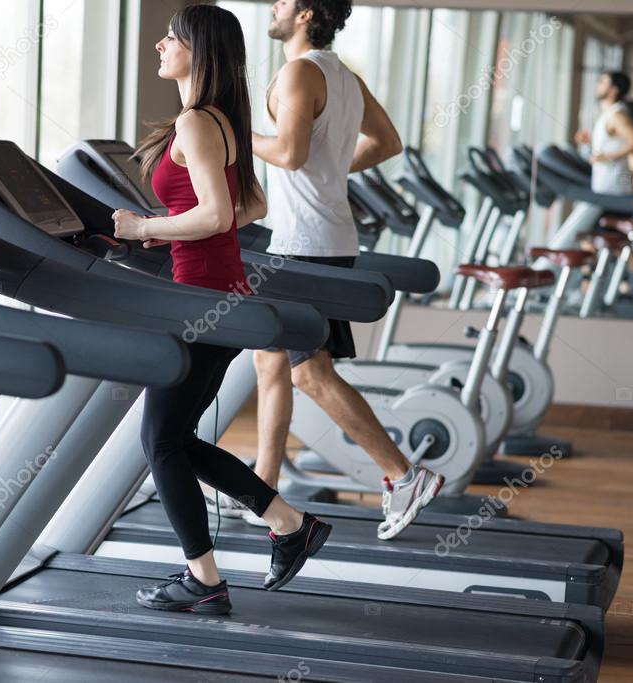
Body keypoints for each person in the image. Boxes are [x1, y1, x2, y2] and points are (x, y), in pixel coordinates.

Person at [111, 4, 332, 616]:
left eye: (172, 38)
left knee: (159, 442)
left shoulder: (195, 123)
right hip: (218, 294)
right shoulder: (220, 119)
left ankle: (207, 580)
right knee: (173, 439)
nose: (160, 44)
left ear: (197, 51)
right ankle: (286, 526)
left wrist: (144, 226)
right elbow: (251, 205)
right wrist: (179, 231)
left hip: (201, 301)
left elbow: (215, 213)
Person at [208, 0, 443, 542]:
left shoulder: (298, 73)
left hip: (303, 246)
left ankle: (405, 475)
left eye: (284, 1)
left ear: (308, 12)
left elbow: (289, 155)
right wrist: (330, 167)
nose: (274, 6)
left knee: (308, 372)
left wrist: (233, 134)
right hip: (322, 236)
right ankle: (262, 486)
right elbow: (387, 143)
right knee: (271, 365)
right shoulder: (344, 76)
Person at [574, 71, 633, 317]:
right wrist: (591, 146)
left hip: (614, 191)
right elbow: (617, 150)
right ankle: (593, 291)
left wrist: (606, 157)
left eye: (602, 82)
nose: (598, 85)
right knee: (600, 240)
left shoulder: (617, 114)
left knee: (595, 239)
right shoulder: (609, 114)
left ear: (614, 89)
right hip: (610, 188)